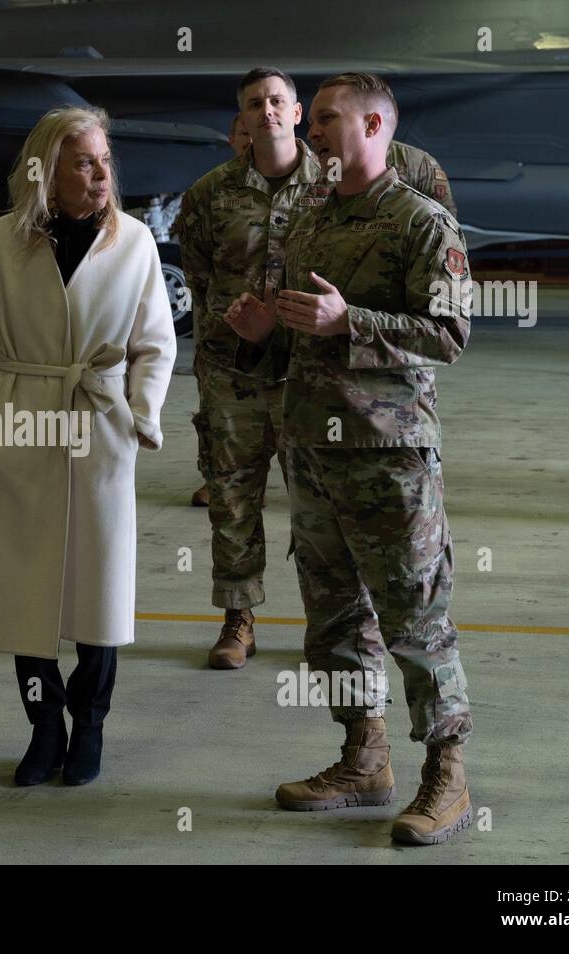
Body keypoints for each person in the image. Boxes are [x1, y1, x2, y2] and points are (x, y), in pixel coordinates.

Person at [225, 72, 473, 845]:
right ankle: (362, 756)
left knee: (415, 617)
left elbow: (452, 334)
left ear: (374, 126)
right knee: (333, 619)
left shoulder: (421, 222)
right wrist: (263, 333)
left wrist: (349, 320)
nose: (314, 133)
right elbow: (300, 334)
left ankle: (448, 773)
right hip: (314, 451)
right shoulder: (307, 220)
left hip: (388, 455)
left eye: (326, 119)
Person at [0, 106, 176, 787]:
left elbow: (155, 341)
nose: (101, 173)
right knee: (25, 596)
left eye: (106, 160)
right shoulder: (1, 240)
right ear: (46, 171)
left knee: (98, 593)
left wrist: (140, 415)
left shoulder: (134, 241)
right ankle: (44, 727)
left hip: (101, 424)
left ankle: (92, 727)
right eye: (84, 161)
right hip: (24, 422)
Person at [177, 68, 324, 670]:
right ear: (242, 115)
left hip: (310, 376)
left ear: (296, 112)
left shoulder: (333, 186)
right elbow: (200, 277)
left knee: (317, 503)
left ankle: (328, 622)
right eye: (254, 103)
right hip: (231, 372)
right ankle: (239, 619)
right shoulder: (210, 193)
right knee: (233, 500)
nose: (266, 110)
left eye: (277, 101)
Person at [188, 111, 253, 511]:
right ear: (231, 139)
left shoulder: (317, 183)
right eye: (242, 132)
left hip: (291, 329)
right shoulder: (211, 192)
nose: (250, 139)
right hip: (224, 331)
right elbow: (197, 268)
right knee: (219, 416)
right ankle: (218, 480)